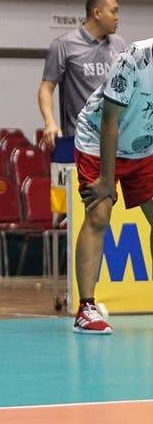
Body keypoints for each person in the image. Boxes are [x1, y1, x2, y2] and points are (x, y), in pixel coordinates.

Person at [72, 38, 153, 334]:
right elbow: (109, 120)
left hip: (143, 144)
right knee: (99, 213)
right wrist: (107, 181)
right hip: (97, 138)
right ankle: (86, 308)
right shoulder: (134, 59)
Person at [38, 0, 125, 151]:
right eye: (113, 11)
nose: (117, 17)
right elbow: (46, 88)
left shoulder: (119, 44)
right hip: (81, 142)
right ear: (97, 13)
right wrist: (49, 122)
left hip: (116, 141)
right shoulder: (63, 45)